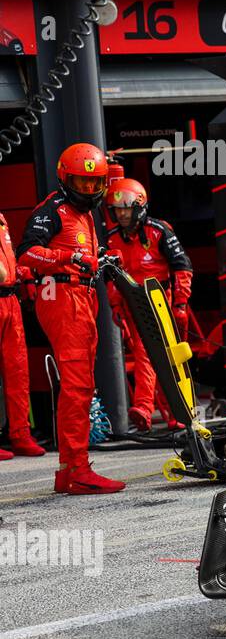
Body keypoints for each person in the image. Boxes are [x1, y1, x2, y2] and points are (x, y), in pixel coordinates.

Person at [17, 142, 124, 493]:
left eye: (95, 185)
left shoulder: (87, 216)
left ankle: (69, 471)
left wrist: (104, 256)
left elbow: (87, 251)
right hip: (64, 298)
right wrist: (69, 260)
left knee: (82, 385)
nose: (89, 191)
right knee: (77, 386)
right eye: (82, 184)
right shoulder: (54, 209)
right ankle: (77, 469)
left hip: (83, 297)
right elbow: (28, 253)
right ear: (66, 179)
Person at [103, 175, 194, 432]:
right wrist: (116, 307)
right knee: (154, 355)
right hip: (132, 305)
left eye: (126, 209)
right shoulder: (110, 239)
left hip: (161, 302)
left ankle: (149, 408)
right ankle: (171, 413)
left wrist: (180, 305)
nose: (121, 214)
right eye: (118, 209)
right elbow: (111, 276)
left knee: (160, 356)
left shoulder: (159, 231)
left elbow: (182, 267)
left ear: (139, 207)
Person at [0, 209, 43, 459]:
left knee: (18, 371)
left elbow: (9, 260)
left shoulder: (2, 219)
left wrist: (23, 274)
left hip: (10, 301)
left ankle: (20, 434)